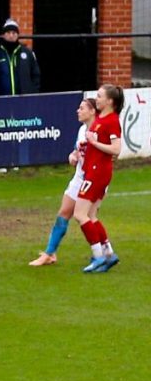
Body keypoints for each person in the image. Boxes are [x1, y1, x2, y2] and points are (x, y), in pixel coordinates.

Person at [29, 97, 100, 266]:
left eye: (82, 108)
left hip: (93, 178)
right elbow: (77, 150)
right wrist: (73, 156)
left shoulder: (99, 131)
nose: (78, 110)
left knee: (88, 216)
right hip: (79, 177)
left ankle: (104, 252)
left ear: (92, 111)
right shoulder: (82, 130)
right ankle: (50, 253)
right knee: (64, 213)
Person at [74, 84, 124, 273]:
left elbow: (116, 149)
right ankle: (109, 254)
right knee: (92, 216)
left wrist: (94, 142)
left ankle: (98, 256)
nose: (98, 99)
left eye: (101, 96)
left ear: (110, 101)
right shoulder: (101, 118)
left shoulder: (111, 121)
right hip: (93, 171)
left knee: (80, 214)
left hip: (98, 173)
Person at [0, 18, 40, 96]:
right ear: (3, 35)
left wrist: (33, 92)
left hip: (23, 101)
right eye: (8, 32)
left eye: (14, 32)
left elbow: (35, 75)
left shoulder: (27, 53)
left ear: (18, 34)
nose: (11, 35)